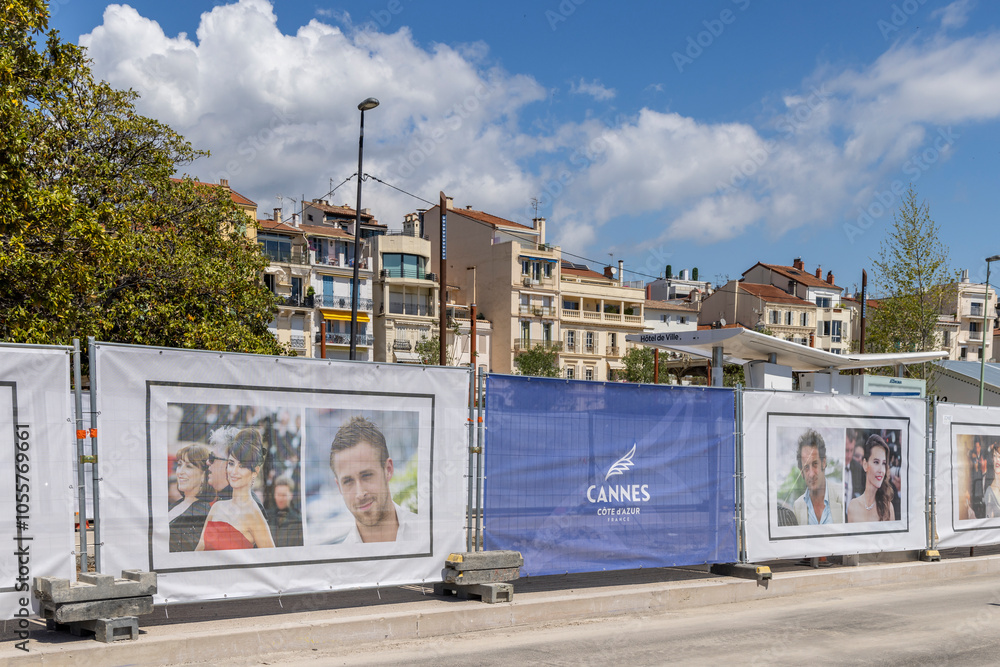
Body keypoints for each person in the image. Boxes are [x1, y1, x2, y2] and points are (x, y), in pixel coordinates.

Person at [329, 415, 417, 543]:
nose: (360, 493)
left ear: (388, 470)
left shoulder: (429, 535)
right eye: (348, 481)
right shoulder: (340, 560)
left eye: (366, 475)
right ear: (339, 487)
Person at [196, 428, 275, 550]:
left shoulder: (254, 514)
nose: (234, 471)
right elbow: (198, 553)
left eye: (242, 466)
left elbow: (272, 559)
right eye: (231, 464)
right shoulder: (217, 506)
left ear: (255, 471)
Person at [791, 430, 843, 525]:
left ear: (824, 463)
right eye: (806, 467)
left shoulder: (843, 496)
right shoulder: (797, 507)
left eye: (815, 464)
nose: (811, 474)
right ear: (801, 472)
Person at [168, 444, 213, 552]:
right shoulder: (177, 504)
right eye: (179, 465)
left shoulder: (202, 511)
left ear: (203, 475)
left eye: (188, 466)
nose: (180, 472)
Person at [847, 434, 896, 523]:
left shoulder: (888, 508)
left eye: (884, 463)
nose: (881, 470)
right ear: (865, 465)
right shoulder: (853, 507)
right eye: (876, 462)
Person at [266, 475, 303, 547]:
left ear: (291, 495)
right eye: (278, 495)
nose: (280, 499)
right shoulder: (266, 518)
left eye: (284, 495)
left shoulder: (298, 520)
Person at [984, 444, 1000, 519]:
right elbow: (989, 523)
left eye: (999, 456)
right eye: (994, 456)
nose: (997, 459)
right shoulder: (989, 492)